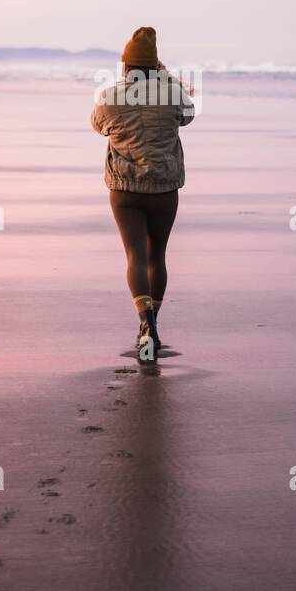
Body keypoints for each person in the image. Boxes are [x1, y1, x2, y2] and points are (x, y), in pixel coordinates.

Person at [91, 26, 196, 363]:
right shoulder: (172, 93)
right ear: (155, 65)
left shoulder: (111, 96)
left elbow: (97, 125)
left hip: (124, 188)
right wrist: (166, 80)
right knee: (157, 255)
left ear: (126, 66)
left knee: (135, 256)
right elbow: (189, 117)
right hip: (164, 186)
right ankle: (153, 324)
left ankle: (144, 322)